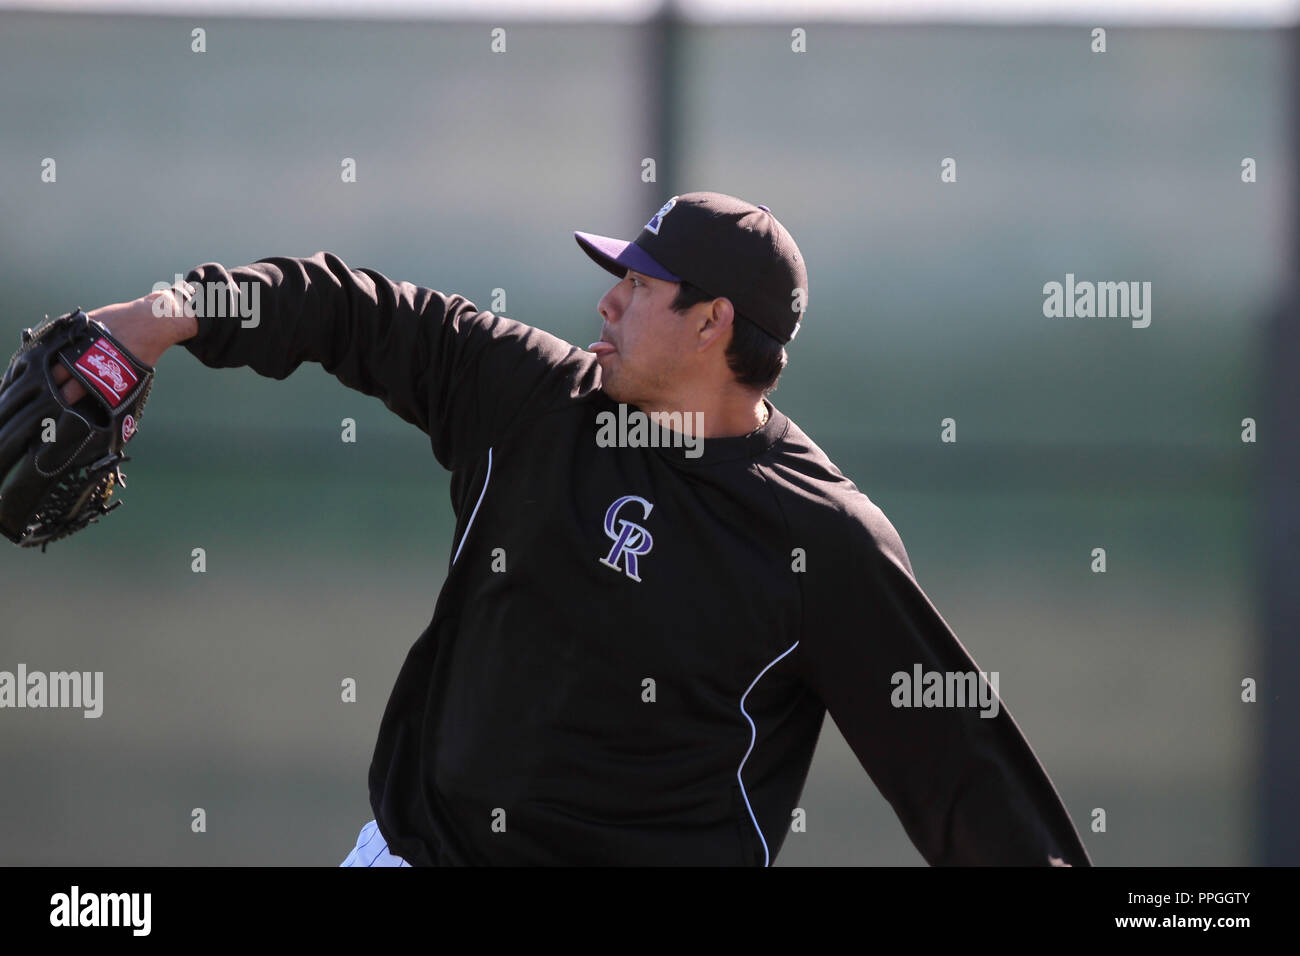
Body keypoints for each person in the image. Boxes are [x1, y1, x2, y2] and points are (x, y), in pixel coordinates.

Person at [58, 191, 1091, 866]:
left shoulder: (818, 539)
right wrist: (165, 313)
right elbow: (349, 309)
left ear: (711, 322)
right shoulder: (533, 399)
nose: (607, 299)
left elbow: (963, 775)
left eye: (638, 283)